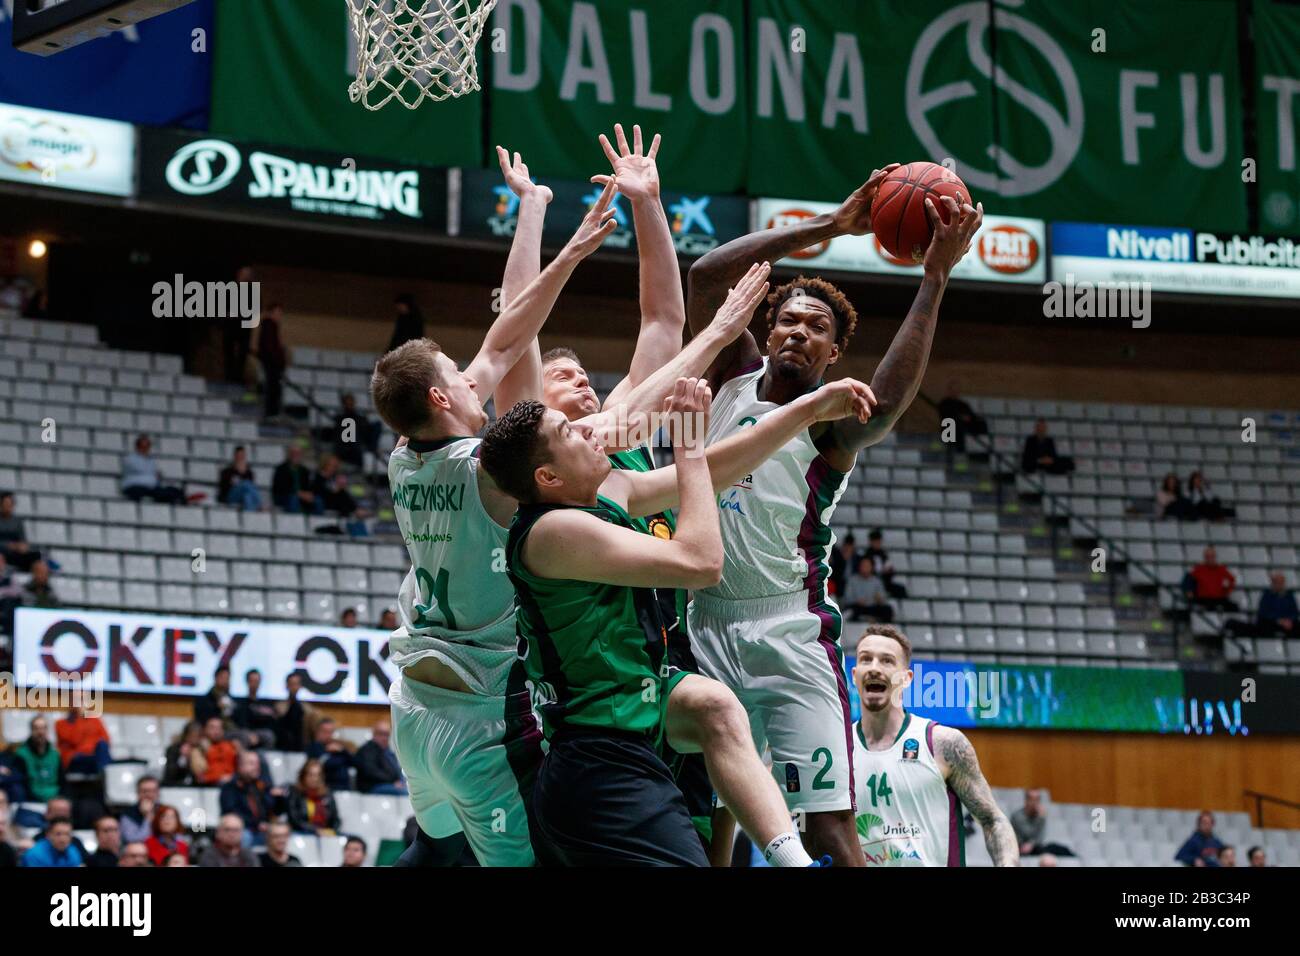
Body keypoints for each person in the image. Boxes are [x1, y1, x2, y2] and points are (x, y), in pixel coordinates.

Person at [682, 162, 981, 864]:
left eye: (815, 328)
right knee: (714, 824)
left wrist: (933, 278)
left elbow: (890, 398)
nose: (797, 332)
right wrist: (830, 227)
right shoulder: (730, 375)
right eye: (787, 319)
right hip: (701, 623)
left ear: (834, 352)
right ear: (766, 327)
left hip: (788, 628)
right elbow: (703, 278)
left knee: (828, 831)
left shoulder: (833, 421)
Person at [481, 366, 873, 867]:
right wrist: (685, 448)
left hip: (640, 711)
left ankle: (793, 861)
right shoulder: (554, 533)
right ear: (548, 477)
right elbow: (702, 563)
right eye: (567, 432)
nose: (586, 428)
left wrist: (810, 409)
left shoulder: (604, 494)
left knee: (715, 706)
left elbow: (722, 465)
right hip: (598, 766)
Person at [849, 625, 1018, 865]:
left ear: (906, 678)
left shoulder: (942, 743)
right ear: (855, 674)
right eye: (866, 659)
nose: (875, 668)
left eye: (887, 661)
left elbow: (993, 820)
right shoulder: (839, 750)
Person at [218, 751, 277, 845]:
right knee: (244, 836)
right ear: (240, 766)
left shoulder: (260, 786)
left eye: (257, 763)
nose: (257, 767)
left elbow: (270, 810)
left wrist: (279, 797)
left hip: (262, 829)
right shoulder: (230, 788)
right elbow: (232, 812)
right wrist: (257, 824)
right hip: (243, 829)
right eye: (251, 763)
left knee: (279, 834)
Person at [120, 434, 186, 504]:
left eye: (147, 446)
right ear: (137, 447)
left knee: (173, 490)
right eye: (142, 446)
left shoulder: (151, 461)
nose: (145, 449)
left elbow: (153, 476)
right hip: (134, 487)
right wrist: (154, 476)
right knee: (141, 493)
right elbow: (141, 470)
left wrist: (156, 477)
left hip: (150, 487)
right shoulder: (130, 459)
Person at [1010, 788, 1074, 857]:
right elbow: (1028, 834)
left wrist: (1032, 843)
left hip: (1035, 847)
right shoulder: (1017, 816)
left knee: (1057, 848)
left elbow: (1040, 838)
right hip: (1020, 848)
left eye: (1037, 799)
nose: (1034, 803)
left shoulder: (1039, 816)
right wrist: (1040, 820)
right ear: (1026, 800)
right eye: (1032, 799)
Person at [286, 759, 340, 834]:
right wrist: (315, 830)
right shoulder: (295, 793)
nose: (315, 779)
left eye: (318, 775)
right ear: (303, 776)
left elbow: (336, 820)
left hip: (325, 833)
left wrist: (331, 831)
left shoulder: (328, 794)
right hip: (302, 833)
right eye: (310, 775)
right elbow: (295, 821)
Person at [14, 715, 60, 802]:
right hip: (31, 801)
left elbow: (62, 782)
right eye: (36, 728)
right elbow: (22, 785)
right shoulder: (21, 755)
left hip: (55, 800)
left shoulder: (55, 754)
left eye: (43, 728)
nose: (40, 732)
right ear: (31, 731)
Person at [353, 720, 406, 795]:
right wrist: (392, 782)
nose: (384, 738)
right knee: (406, 793)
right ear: (374, 734)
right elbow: (371, 772)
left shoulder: (387, 752)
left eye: (387, 734)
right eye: (381, 734)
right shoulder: (368, 750)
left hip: (390, 784)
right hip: (373, 786)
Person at [255, 302, 288, 420]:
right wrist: (278, 360)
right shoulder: (269, 326)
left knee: (274, 387)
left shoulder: (270, 326)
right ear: (271, 313)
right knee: (273, 388)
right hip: (271, 363)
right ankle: (271, 412)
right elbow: (270, 347)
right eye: (278, 313)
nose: (280, 316)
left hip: (271, 362)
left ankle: (272, 412)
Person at [936, 378, 988, 453]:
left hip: (964, 427)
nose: (955, 392)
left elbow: (972, 416)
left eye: (957, 389)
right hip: (950, 429)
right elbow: (946, 416)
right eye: (953, 389)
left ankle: (980, 450)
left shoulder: (963, 404)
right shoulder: (944, 403)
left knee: (981, 423)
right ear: (949, 390)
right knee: (955, 425)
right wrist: (960, 418)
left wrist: (969, 418)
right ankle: (957, 452)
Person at [55, 706, 111, 773]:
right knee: (101, 761)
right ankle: (105, 773)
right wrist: (80, 718)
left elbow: (106, 740)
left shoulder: (95, 720)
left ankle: (105, 773)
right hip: (75, 759)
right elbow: (75, 740)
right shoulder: (61, 723)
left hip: (94, 756)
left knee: (102, 747)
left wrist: (94, 746)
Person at [232, 668, 277, 749]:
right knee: (244, 736)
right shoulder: (240, 703)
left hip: (261, 733)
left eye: (257, 681)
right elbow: (240, 722)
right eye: (252, 680)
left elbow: (269, 722)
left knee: (269, 735)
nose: (254, 684)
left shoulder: (266, 704)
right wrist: (249, 733)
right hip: (244, 732)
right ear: (247, 682)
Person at [304, 718, 352, 792]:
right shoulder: (314, 747)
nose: (328, 735)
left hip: (345, 788)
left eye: (331, 732)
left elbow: (354, 762)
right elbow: (325, 764)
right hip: (327, 788)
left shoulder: (338, 747)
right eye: (325, 731)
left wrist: (343, 751)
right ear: (317, 732)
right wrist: (329, 753)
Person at [1185, 546, 1239, 612]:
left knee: (1234, 607)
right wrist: (1189, 591)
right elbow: (1188, 580)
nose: (1210, 559)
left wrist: (1226, 591)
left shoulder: (1221, 569)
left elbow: (1231, 580)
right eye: (1208, 556)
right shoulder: (1199, 569)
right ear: (1205, 557)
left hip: (1219, 598)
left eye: (1212, 556)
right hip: (1203, 599)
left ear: (1215, 557)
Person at [334, 393, 379, 468]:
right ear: (344, 404)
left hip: (357, 447)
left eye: (351, 402)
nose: (350, 404)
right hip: (347, 449)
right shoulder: (340, 418)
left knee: (377, 425)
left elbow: (366, 431)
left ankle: (372, 449)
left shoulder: (359, 418)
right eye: (347, 403)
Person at [0, 490, 42, 571]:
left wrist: (22, 546)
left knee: (36, 555)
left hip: (14, 554)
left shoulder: (17, 521)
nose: (8, 506)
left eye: (10, 504)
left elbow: (23, 540)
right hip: (2, 552)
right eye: (6, 503)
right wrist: (8, 545)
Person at [272, 446, 320, 514]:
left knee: (317, 500)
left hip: (301, 496)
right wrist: (298, 493)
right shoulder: (281, 469)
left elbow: (309, 486)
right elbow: (280, 488)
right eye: (293, 453)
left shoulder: (304, 470)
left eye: (298, 453)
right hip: (284, 496)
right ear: (289, 454)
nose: (295, 455)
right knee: (293, 499)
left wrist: (309, 494)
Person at [842, 558, 893, 622]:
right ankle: (862, 621)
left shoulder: (877, 581)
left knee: (887, 610)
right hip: (858, 607)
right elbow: (847, 598)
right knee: (852, 610)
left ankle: (881, 627)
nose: (865, 568)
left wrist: (880, 600)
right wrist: (857, 601)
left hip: (872, 607)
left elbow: (883, 599)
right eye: (863, 566)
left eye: (867, 566)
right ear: (859, 567)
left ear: (872, 567)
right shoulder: (852, 580)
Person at [312, 454, 360, 518]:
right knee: (341, 494)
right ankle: (355, 510)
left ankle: (355, 510)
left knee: (342, 493)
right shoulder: (317, 477)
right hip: (324, 502)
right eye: (333, 466)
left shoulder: (332, 478)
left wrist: (338, 488)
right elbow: (318, 493)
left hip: (335, 502)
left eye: (336, 466)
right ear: (326, 465)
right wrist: (335, 490)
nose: (335, 468)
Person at [864, 529, 907, 598]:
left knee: (901, 589)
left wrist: (889, 571)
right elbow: (866, 572)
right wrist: (880, 572)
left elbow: (890, 569)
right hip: (872, 583)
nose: (878, 543)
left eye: (879, 541)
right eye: (876, 541)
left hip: (884, 582)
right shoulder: (867, 555)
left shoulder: (883, 554)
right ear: (871, 542)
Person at [218, 446, 262, 512]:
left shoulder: (249, 472)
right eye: (238, 455)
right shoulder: (227, 471)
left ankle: (250, 517)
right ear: (235, 456)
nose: (240, 457)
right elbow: (223, 488)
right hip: (229, 496)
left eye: (242, 455)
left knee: (247, 497)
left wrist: (243, 473)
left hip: (242, 496)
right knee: (246, 483)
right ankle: (260, 504)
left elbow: (251, 487)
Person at [163, 722, 207, 786]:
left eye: (198, 737)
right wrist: (183, 757)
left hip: (195, 787)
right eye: (192, 736)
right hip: (175, 786)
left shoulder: (201, 750)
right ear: (186, 736)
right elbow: (170, 773)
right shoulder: (174, 749)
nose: (195, 740)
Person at [119, 775, 160, 844]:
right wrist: (147, 817)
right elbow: (133, 840)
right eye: (145, 791)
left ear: (158, 793)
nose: (148, 795)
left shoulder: (166, 811)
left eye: (152, 791)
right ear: (138, 793)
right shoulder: (128, 814)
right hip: (139, 853)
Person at [274, 672, 309, 751]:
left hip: (300, 744)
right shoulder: (280, 705)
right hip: (282, 742)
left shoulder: (306, 708)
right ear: (287, 686)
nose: (294, 687)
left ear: (300, 686)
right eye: (292, 684)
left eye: (296, 684)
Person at [199, 716, 238, 785]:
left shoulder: (232, 746)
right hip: (208, 785)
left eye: (219, 728)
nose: (216, 731)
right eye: (212, 728)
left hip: (230, 784)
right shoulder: (198, 748)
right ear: (205, 730)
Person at [1257, 572, 1298, 636]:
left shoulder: (1289, 595)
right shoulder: (1267, 595)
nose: (1279, 584)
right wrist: (1279, 621)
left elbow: (1294, 612)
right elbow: (1264, 612)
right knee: (1264, 624)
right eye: (1277, 582)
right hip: (1272, 622)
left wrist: (1289, 620)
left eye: (1281, 582)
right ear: (1273, 583)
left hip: (1287, 623)